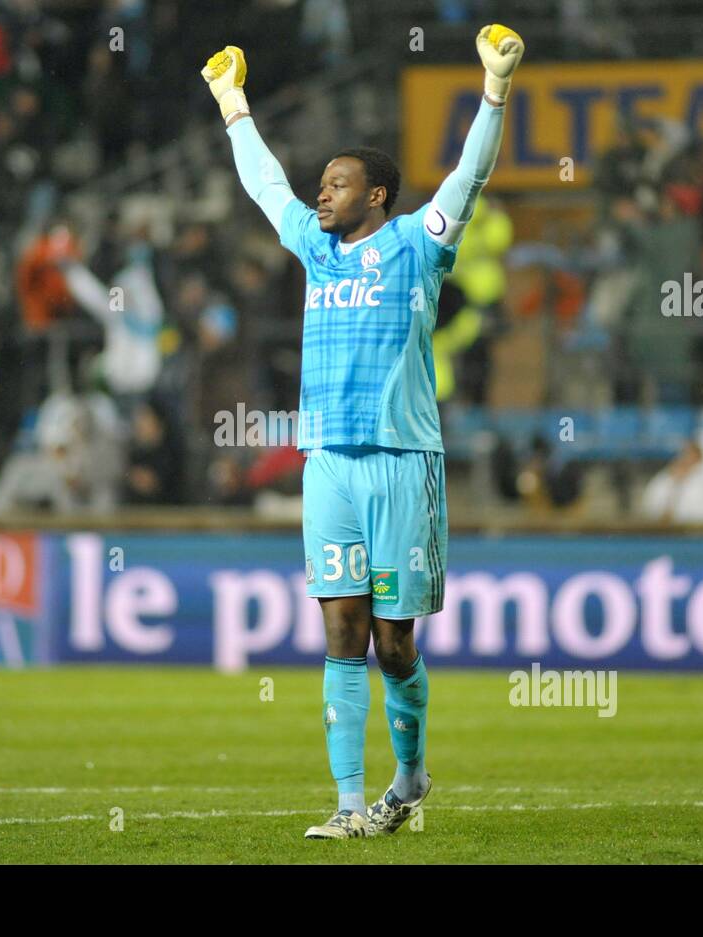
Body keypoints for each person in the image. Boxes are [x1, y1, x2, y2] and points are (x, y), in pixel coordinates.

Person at [201, 24, 522, 838]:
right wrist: (233, 105)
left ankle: (409, 777)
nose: (321, 195)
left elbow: (469, 177)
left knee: (394, 642)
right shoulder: (316, 250)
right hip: (329, 467)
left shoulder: (418, 245)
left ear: (375, 195)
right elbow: (266, 186)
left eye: (337, 186)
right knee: (341, 631)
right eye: (322, 184)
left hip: (402, 461)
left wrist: (494, 90)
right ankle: (349, 805)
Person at [640, 429, 703, 524]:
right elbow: (651, 510)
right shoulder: (669, 476)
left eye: (694, 452)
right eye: (688, 451)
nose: (687, 456)